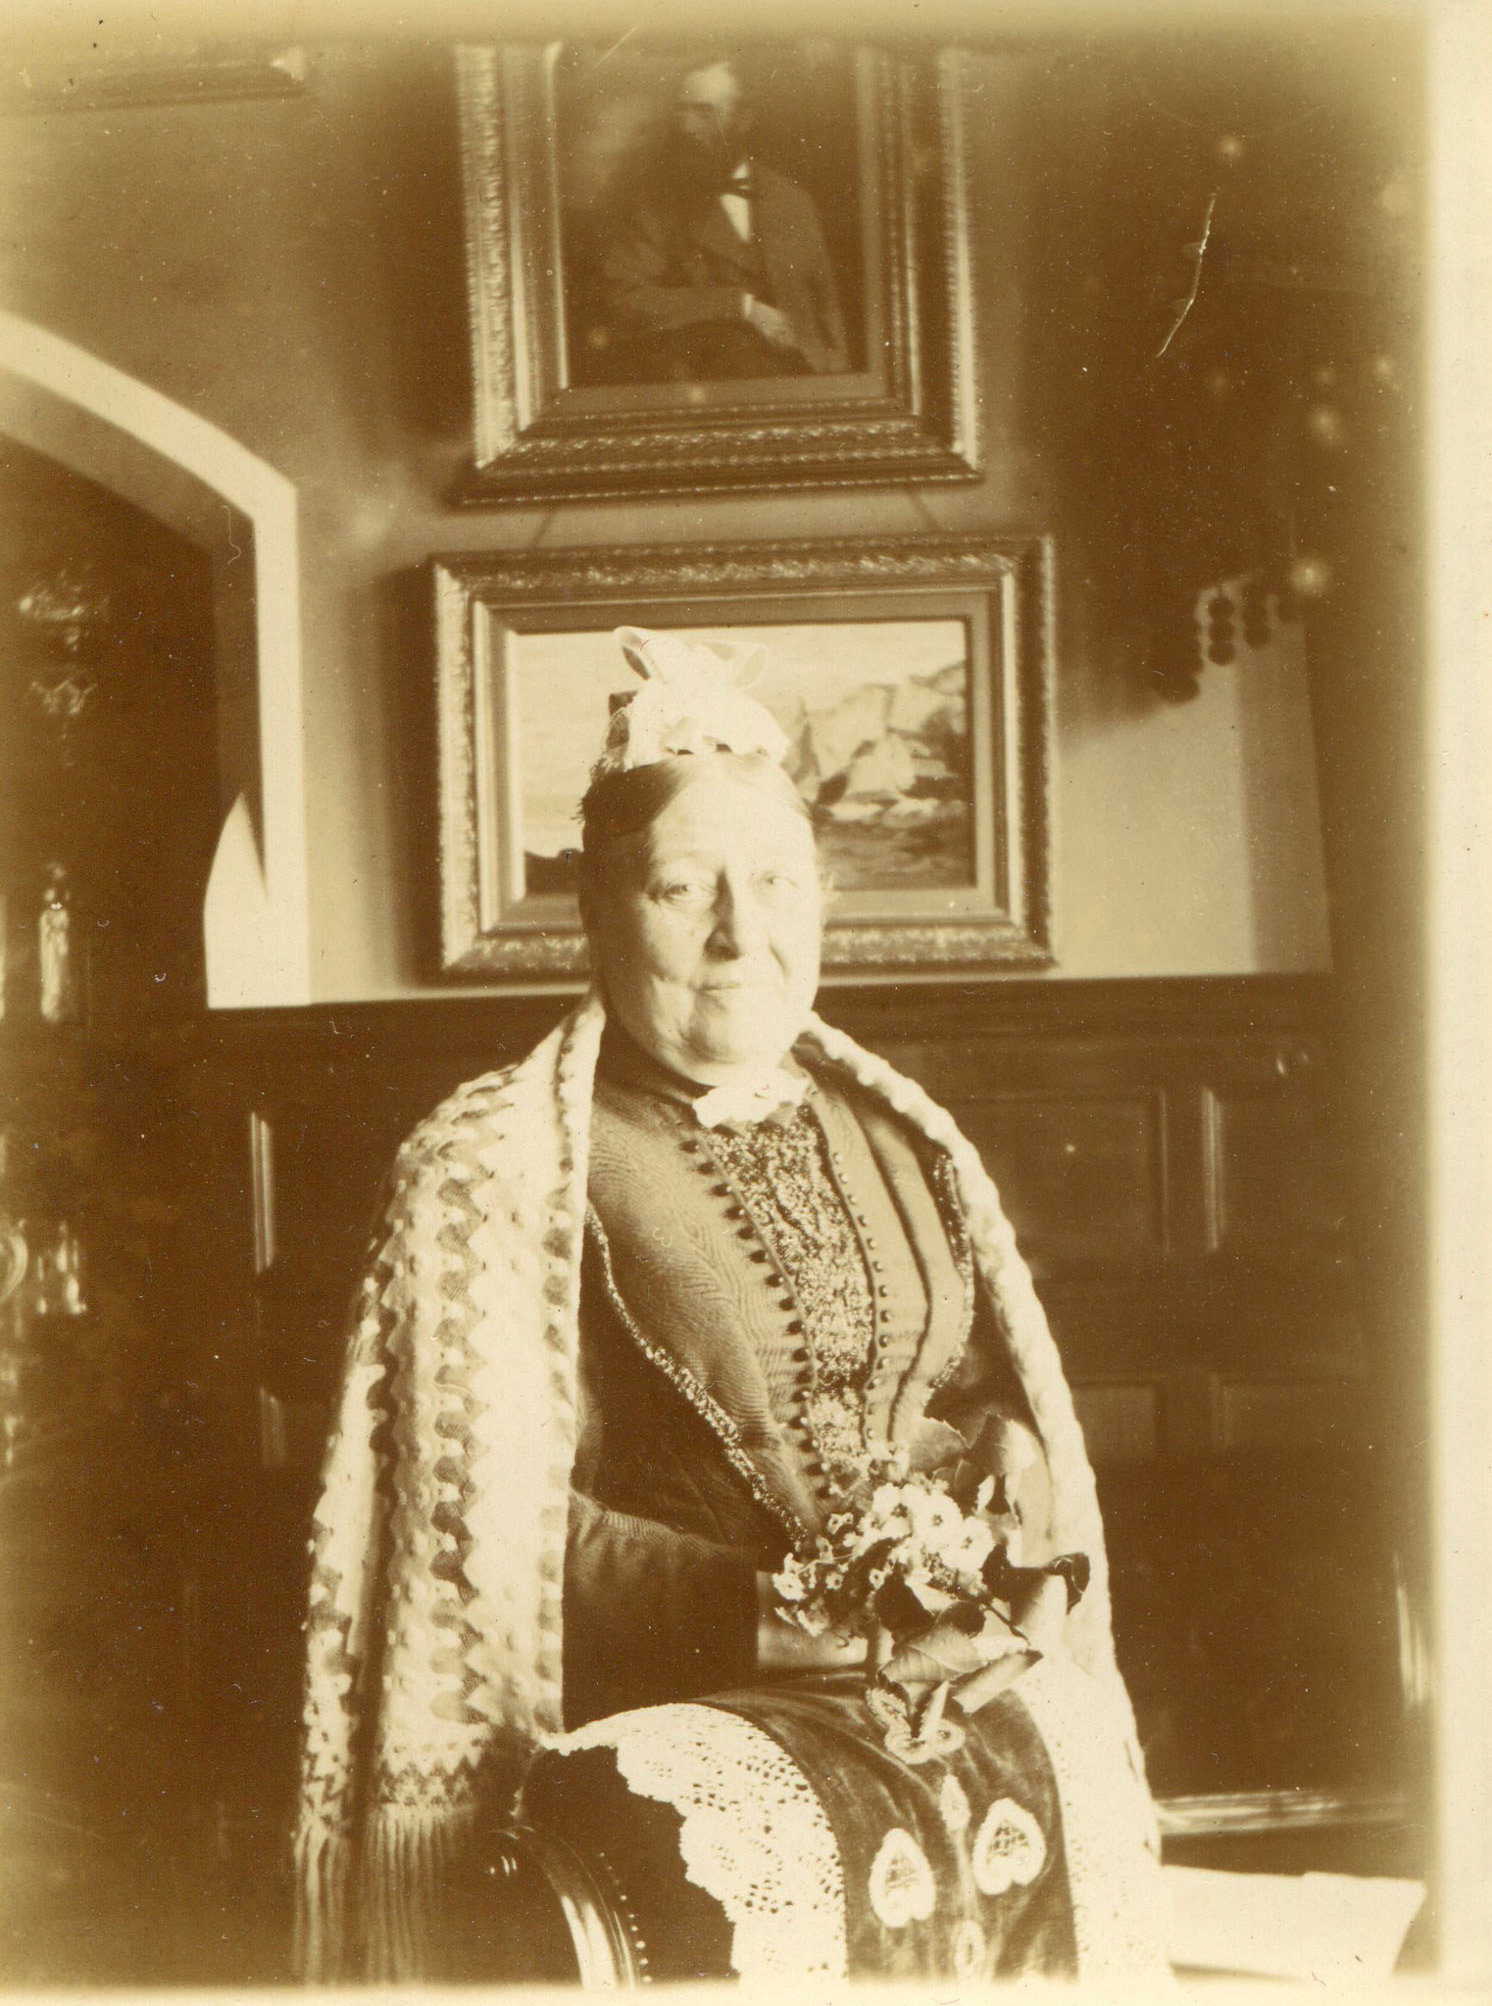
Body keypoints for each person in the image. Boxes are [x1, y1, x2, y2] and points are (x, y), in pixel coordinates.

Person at [295, 633, 1168, 1986]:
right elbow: (486, 1527)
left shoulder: (891, 1131)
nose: (738, 934)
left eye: (774, 883)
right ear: (594, 913)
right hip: (672, 1705)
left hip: (928, 1680)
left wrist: (1022, 1563)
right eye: (680, 887)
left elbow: (976, 1400)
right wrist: (777, 1620)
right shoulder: (495, 1162)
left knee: (1068, 1762)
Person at [592, 57, 851, 382]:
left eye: (704, 112)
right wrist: (738, 306)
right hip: (710, 389)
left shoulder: (792, 201)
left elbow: (827, 315)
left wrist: (838, 388)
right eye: (682, 112)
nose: (687, 127)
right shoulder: (658, 205)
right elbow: (622, 299)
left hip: (804, 386)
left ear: (743, 119)